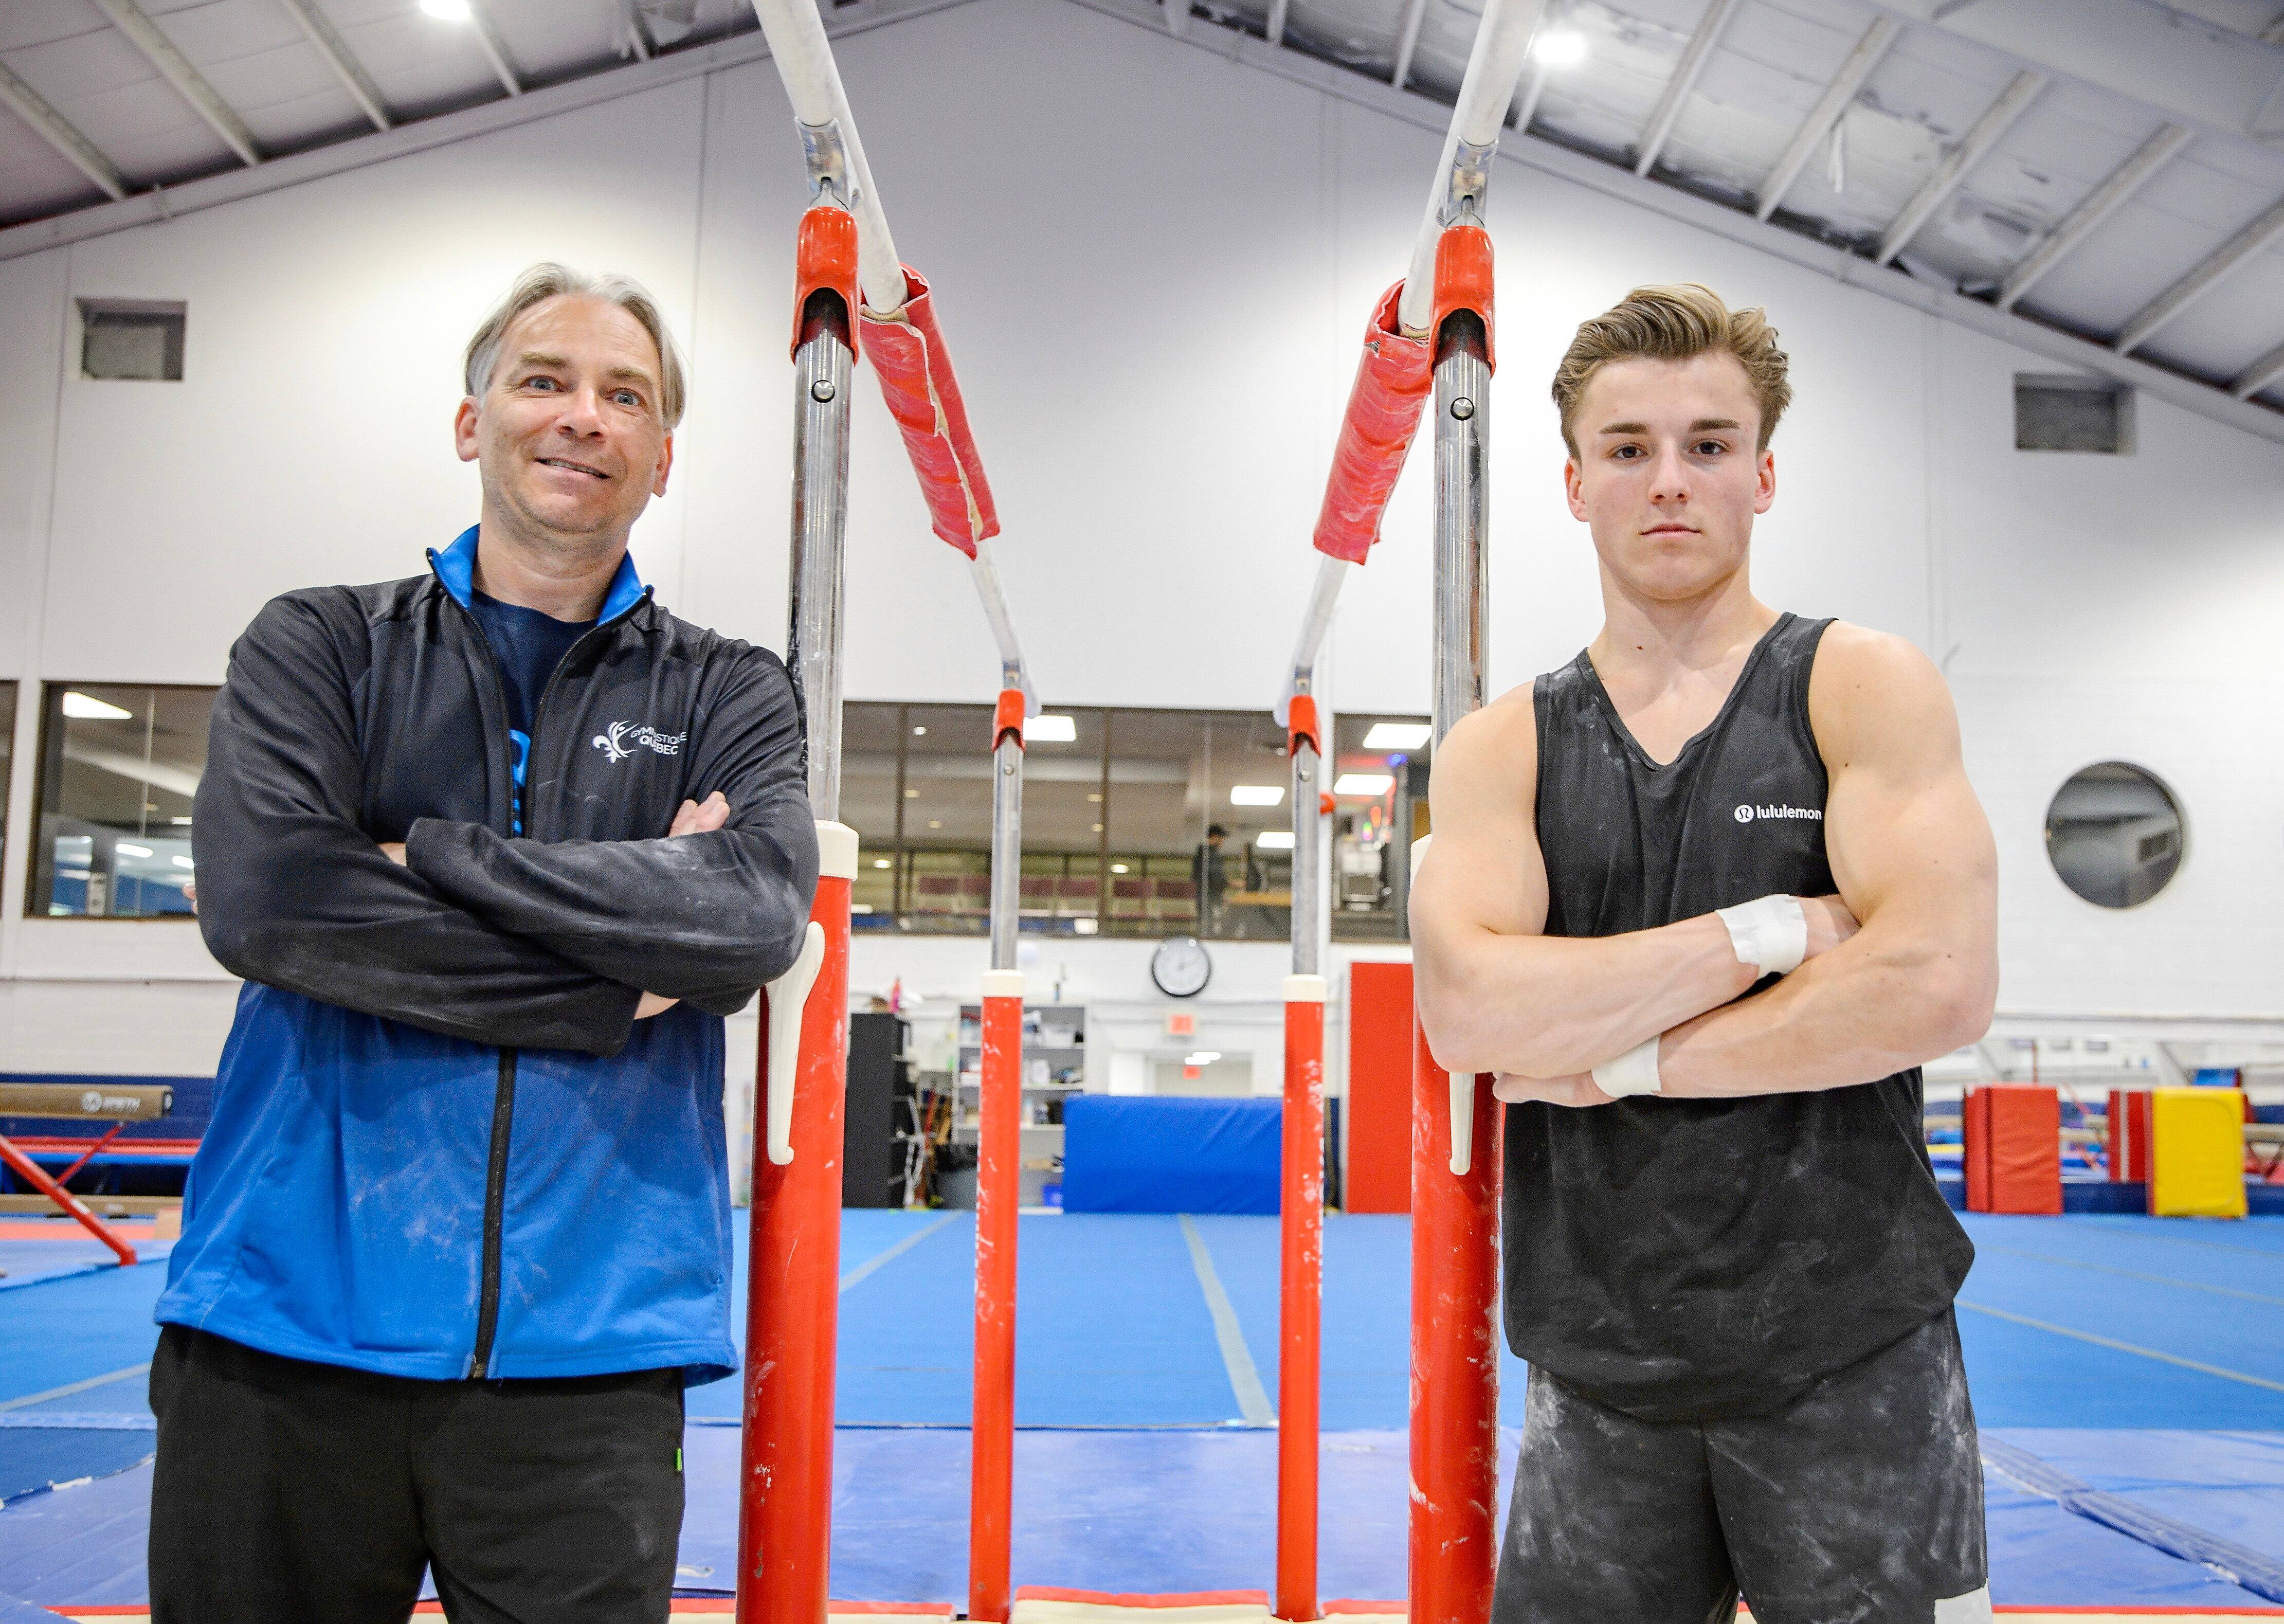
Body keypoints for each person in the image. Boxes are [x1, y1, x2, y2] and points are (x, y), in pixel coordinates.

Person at [153, 263, 820, 1623]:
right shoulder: (320, 645)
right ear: (473, 425)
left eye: (622, 394)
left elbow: (752, 915)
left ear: (662, 458)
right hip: (286, 1322)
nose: (583, 414)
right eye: (544, 380)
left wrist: (431, 853)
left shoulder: (730, 688)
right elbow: (271, 900)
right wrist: (611, 980)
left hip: (588, 1356)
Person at [1411, 284, 2000, 1624]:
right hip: (1600, 1360)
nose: (1668, 480)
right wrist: (1772, 934)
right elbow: (1468, 1011)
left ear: (1764, 472)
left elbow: (1935, 981)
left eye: (1708, 443)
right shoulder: (1503, 745)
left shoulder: (1860, 684)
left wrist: (1619, 1058)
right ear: (1572, 483)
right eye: (1628, 448)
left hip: (1853, 1346)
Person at [1192, 822, 1230, 934]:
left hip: (1204, 897)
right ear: (1215, 837)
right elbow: (1216, 877)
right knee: (1212, 929)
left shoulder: (1201, 854)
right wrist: (1230, 884)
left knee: (1205, 927)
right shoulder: (1211, 855)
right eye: (1222, 837)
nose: (1223, 841)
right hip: (1211, 899)